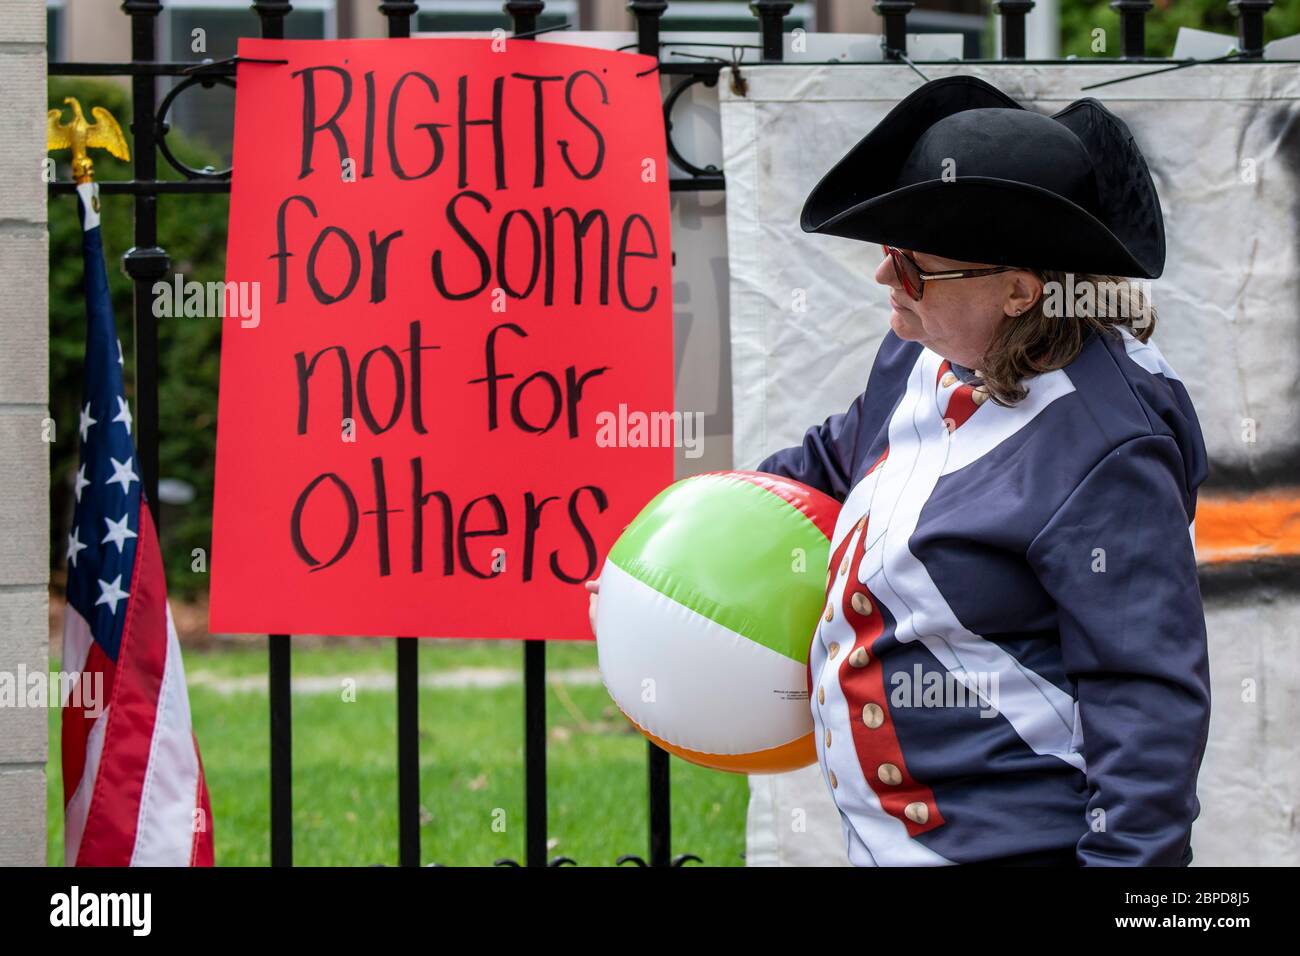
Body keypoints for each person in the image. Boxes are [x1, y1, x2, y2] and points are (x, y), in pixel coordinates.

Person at [592, 74, 1211, 866]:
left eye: (915, 268)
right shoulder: (925, 354)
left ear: (1020, 291)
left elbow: (1147, 703)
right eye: (889, 253)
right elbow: (831, 464)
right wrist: (654, 566)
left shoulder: (1109, 450)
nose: (887, 279)